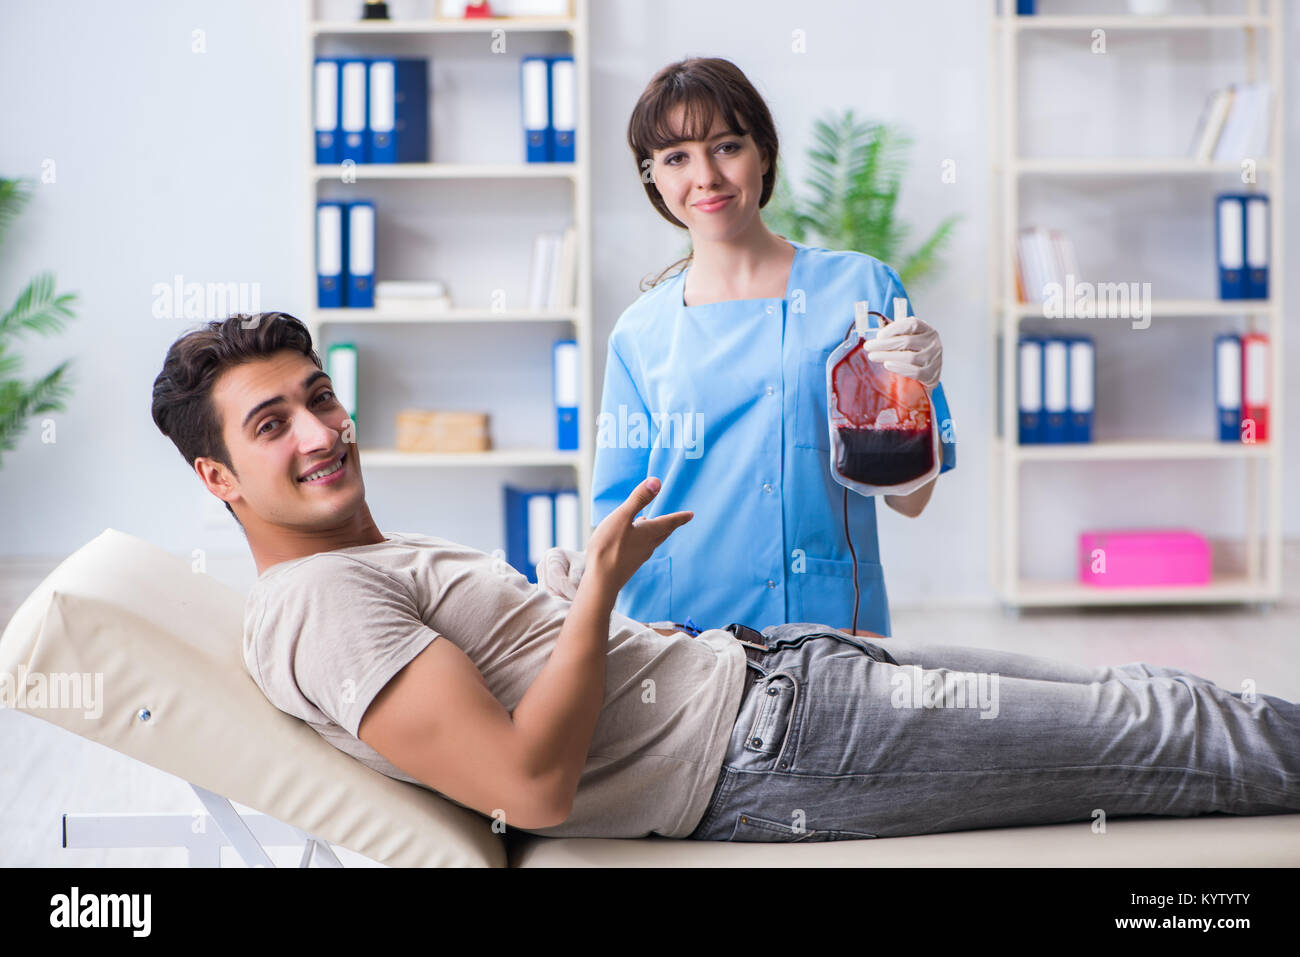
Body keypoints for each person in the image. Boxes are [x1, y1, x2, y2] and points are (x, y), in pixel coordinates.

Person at [152, 313, 1300, 842]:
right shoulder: (315, 605)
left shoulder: (358, 563)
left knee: (1163, 703)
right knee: (1170, 729)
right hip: (768, 747)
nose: (319, 431)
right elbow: (530, 792)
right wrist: (597, 591)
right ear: (218, 477)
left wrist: (559, 599)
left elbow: (504, 697)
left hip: (776, 676)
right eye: (272, 422)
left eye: (318, 396)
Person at [591, 56, 954, 641]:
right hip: (678, 632)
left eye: (726, 146)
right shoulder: (639, 332)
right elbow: (615, 522)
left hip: (828, 619)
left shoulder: (861, 293)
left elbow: (908, 502)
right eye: (676, 157)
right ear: (652, 177)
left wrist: (922, 390)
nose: (705, 176)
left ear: (763, 151)